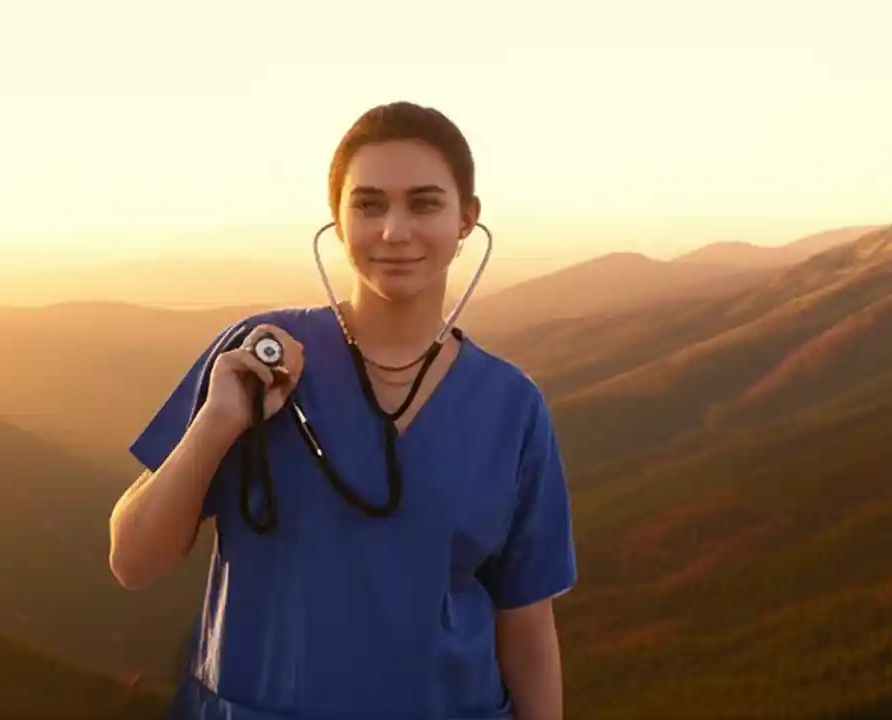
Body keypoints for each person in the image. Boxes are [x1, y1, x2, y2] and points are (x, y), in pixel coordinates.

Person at [109, 101, 577, 719]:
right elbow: (134, 561)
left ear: (468, 218)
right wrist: (219, 421)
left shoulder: (512, 408)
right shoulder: (256, 357)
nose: (394, 230)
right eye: (369, 203)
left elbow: (526, 623)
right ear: (337, 217)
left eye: (426, 203)